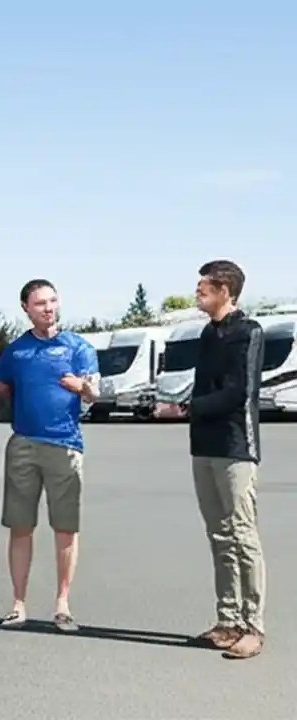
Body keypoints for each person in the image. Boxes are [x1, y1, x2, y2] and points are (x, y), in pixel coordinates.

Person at [154, 260, 266, 659]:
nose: (198, 291)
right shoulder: (208, 332)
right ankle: (228, 620)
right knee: (219, 535)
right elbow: (204, 386)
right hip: (203, 445)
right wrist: (185, 410)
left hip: (236, 446)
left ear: (226, 291)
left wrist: (184, 410)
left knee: (242, 535)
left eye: (205, 285)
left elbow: (240, 392)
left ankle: (254, 627)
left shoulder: (248, 332)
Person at [0, 279, 99, 632]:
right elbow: (1, 390)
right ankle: (18, 604)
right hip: (23, 444)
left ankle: (62, 604)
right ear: (26, 308)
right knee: (21, 526)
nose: (48, 308)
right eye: (40, 303)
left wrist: (81, 387)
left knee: (65, 528)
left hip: (65, 444)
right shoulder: (15, 352)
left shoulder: (78, 347)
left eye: (52, 301)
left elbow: (95, 393)